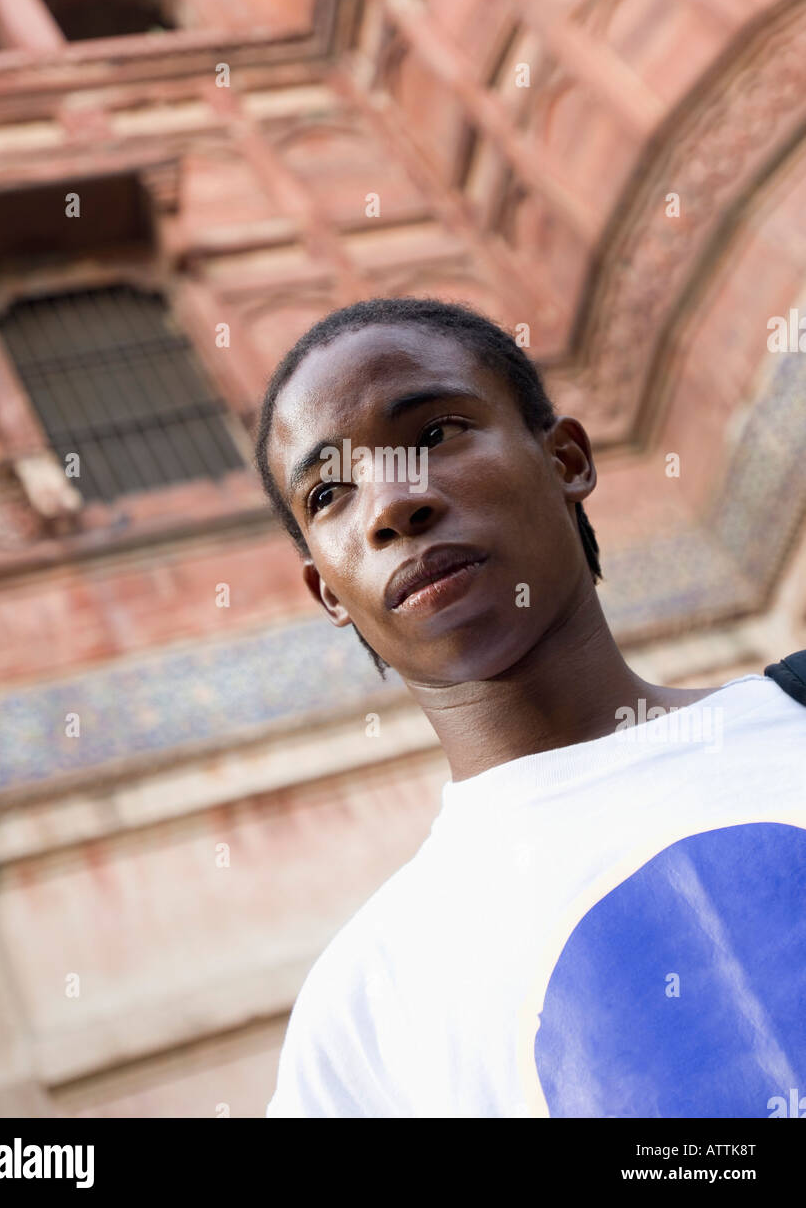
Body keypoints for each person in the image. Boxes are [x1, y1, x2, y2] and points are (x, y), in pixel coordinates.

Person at [255, 295, 806, 1118]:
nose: (391, 506)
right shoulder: (361, 1019)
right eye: (329, 493)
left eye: (434, 436)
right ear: (325, 592)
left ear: (566, 460)